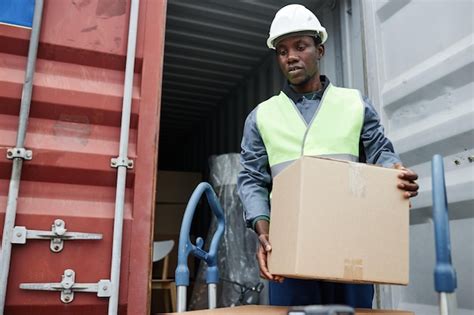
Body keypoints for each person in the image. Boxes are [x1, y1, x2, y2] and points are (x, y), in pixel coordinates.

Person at [237, 4, 419, 308]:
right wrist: (264, 234)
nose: (291, 56)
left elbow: (380, 150)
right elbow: (252, 179)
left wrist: (395, 172)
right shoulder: (261, 116)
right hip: (289, 246)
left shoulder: (354, 103)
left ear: (319, 50)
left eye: (300, 46)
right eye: (282, 50)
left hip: (349, 242)